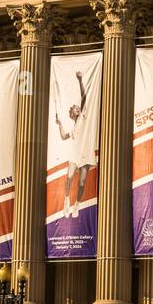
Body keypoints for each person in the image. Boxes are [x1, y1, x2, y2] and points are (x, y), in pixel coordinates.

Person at [54, 70, 92, 218]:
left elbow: (84, 96)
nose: (77, 107)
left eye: (78, 107)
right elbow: (64, 137)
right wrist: (59, 123)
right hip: (75, 153)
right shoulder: (74, 129)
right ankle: (66, 200)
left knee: (82, 182)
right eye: (76, 108)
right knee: (69, 178)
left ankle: (77, 205)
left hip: (86, 152)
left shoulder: (83, 117)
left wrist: (80, 80)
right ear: (73, 113)